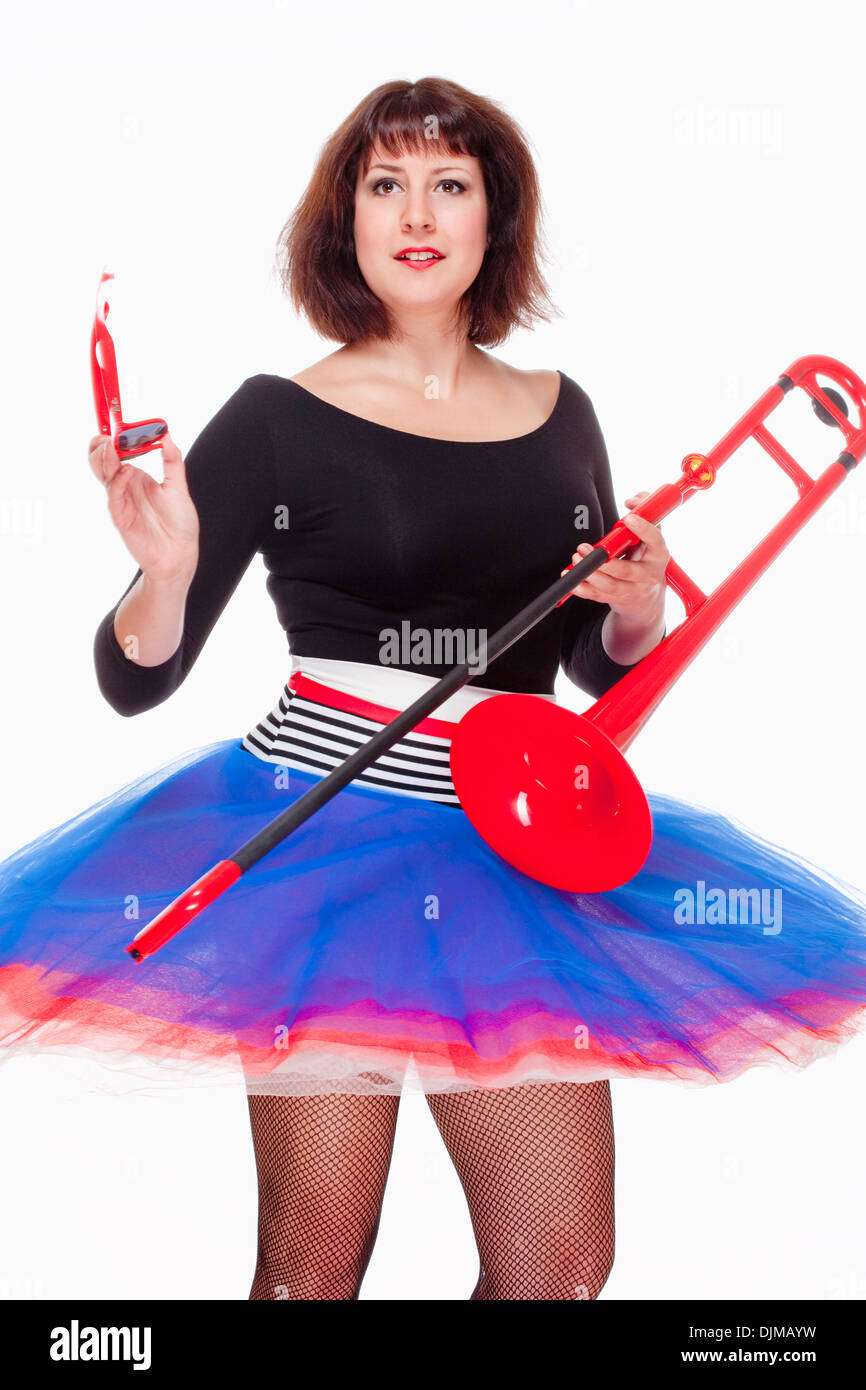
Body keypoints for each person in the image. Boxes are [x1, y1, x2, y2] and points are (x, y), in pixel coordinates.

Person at [2, 77, 866, 1303]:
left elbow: (572, 675)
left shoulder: (563, 416)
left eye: (449, 183)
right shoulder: (275, 416)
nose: (417, 210)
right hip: (320, 834)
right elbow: (134, 677)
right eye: (385, 182)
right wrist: (168, 570)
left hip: (517, 849)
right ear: (344, 218)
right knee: (312, 1270)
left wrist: (632, 607)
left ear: (492, 217)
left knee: (559, 1265)